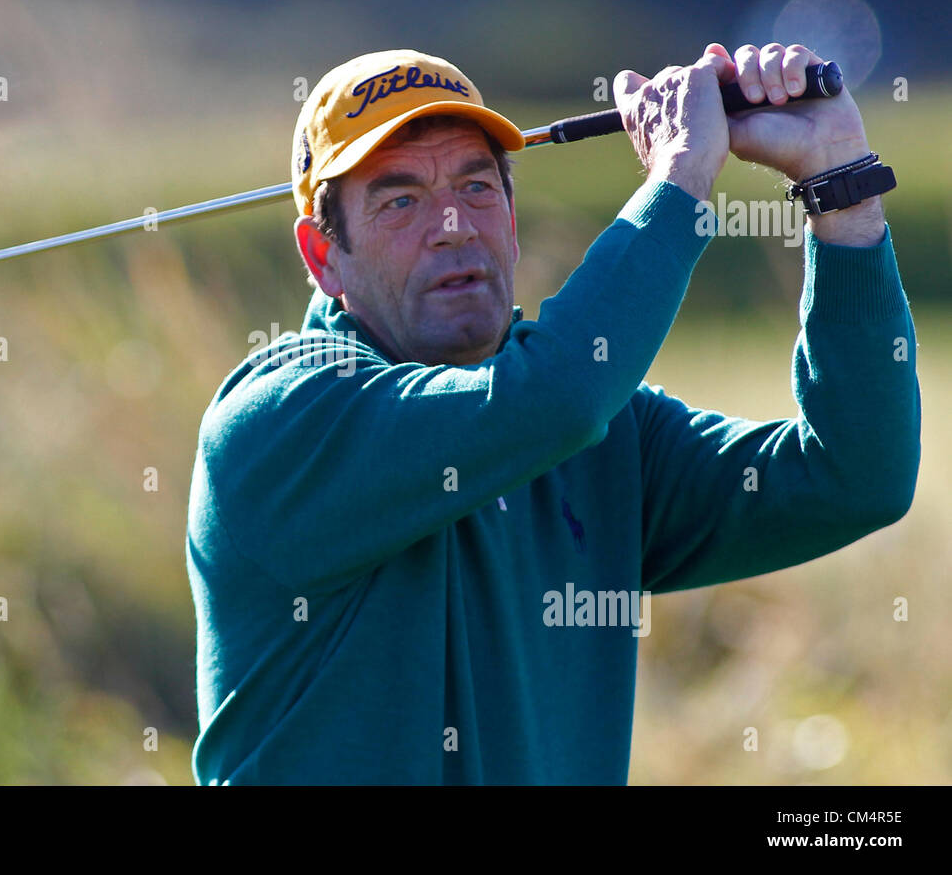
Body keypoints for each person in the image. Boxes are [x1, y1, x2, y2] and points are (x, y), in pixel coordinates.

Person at [184, 47, 920, 784]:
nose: (451, 225)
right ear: (322, 257)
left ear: (510, 216)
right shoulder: (280, 419)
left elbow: (854, 477)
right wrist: (681, 177)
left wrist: (841, 185)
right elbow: (556, 395)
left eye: (476, 186)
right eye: (399, 200)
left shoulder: (603, 435)